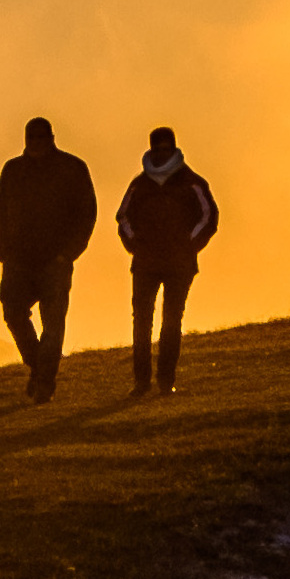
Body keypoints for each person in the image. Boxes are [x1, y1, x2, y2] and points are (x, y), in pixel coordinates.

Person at [0, 115, 98, 402]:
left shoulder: (72, 168)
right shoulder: (12, 170)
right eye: (31, 138)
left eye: (40, 137)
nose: (35, 143)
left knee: (53, 322)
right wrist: (3, 248)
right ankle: (39, 368)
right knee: (12, 312)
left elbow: (87, 213)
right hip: (18, 259)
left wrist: (67, 254)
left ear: (51, 138)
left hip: (55, 260)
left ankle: (44, 381)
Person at [114, 125, 219, 395]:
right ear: (151, 149)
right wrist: (135, 245)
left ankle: (164, 380)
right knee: (142, 322)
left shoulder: (192, 182)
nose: (161, 154)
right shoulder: (140, 185)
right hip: (146, 262)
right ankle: (142, 381)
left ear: (173, 148)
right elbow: (123, 217)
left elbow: (208, 218)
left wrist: (188, 247)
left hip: (178, 264)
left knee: (171, 321)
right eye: (157, 149)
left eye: (165, 148)